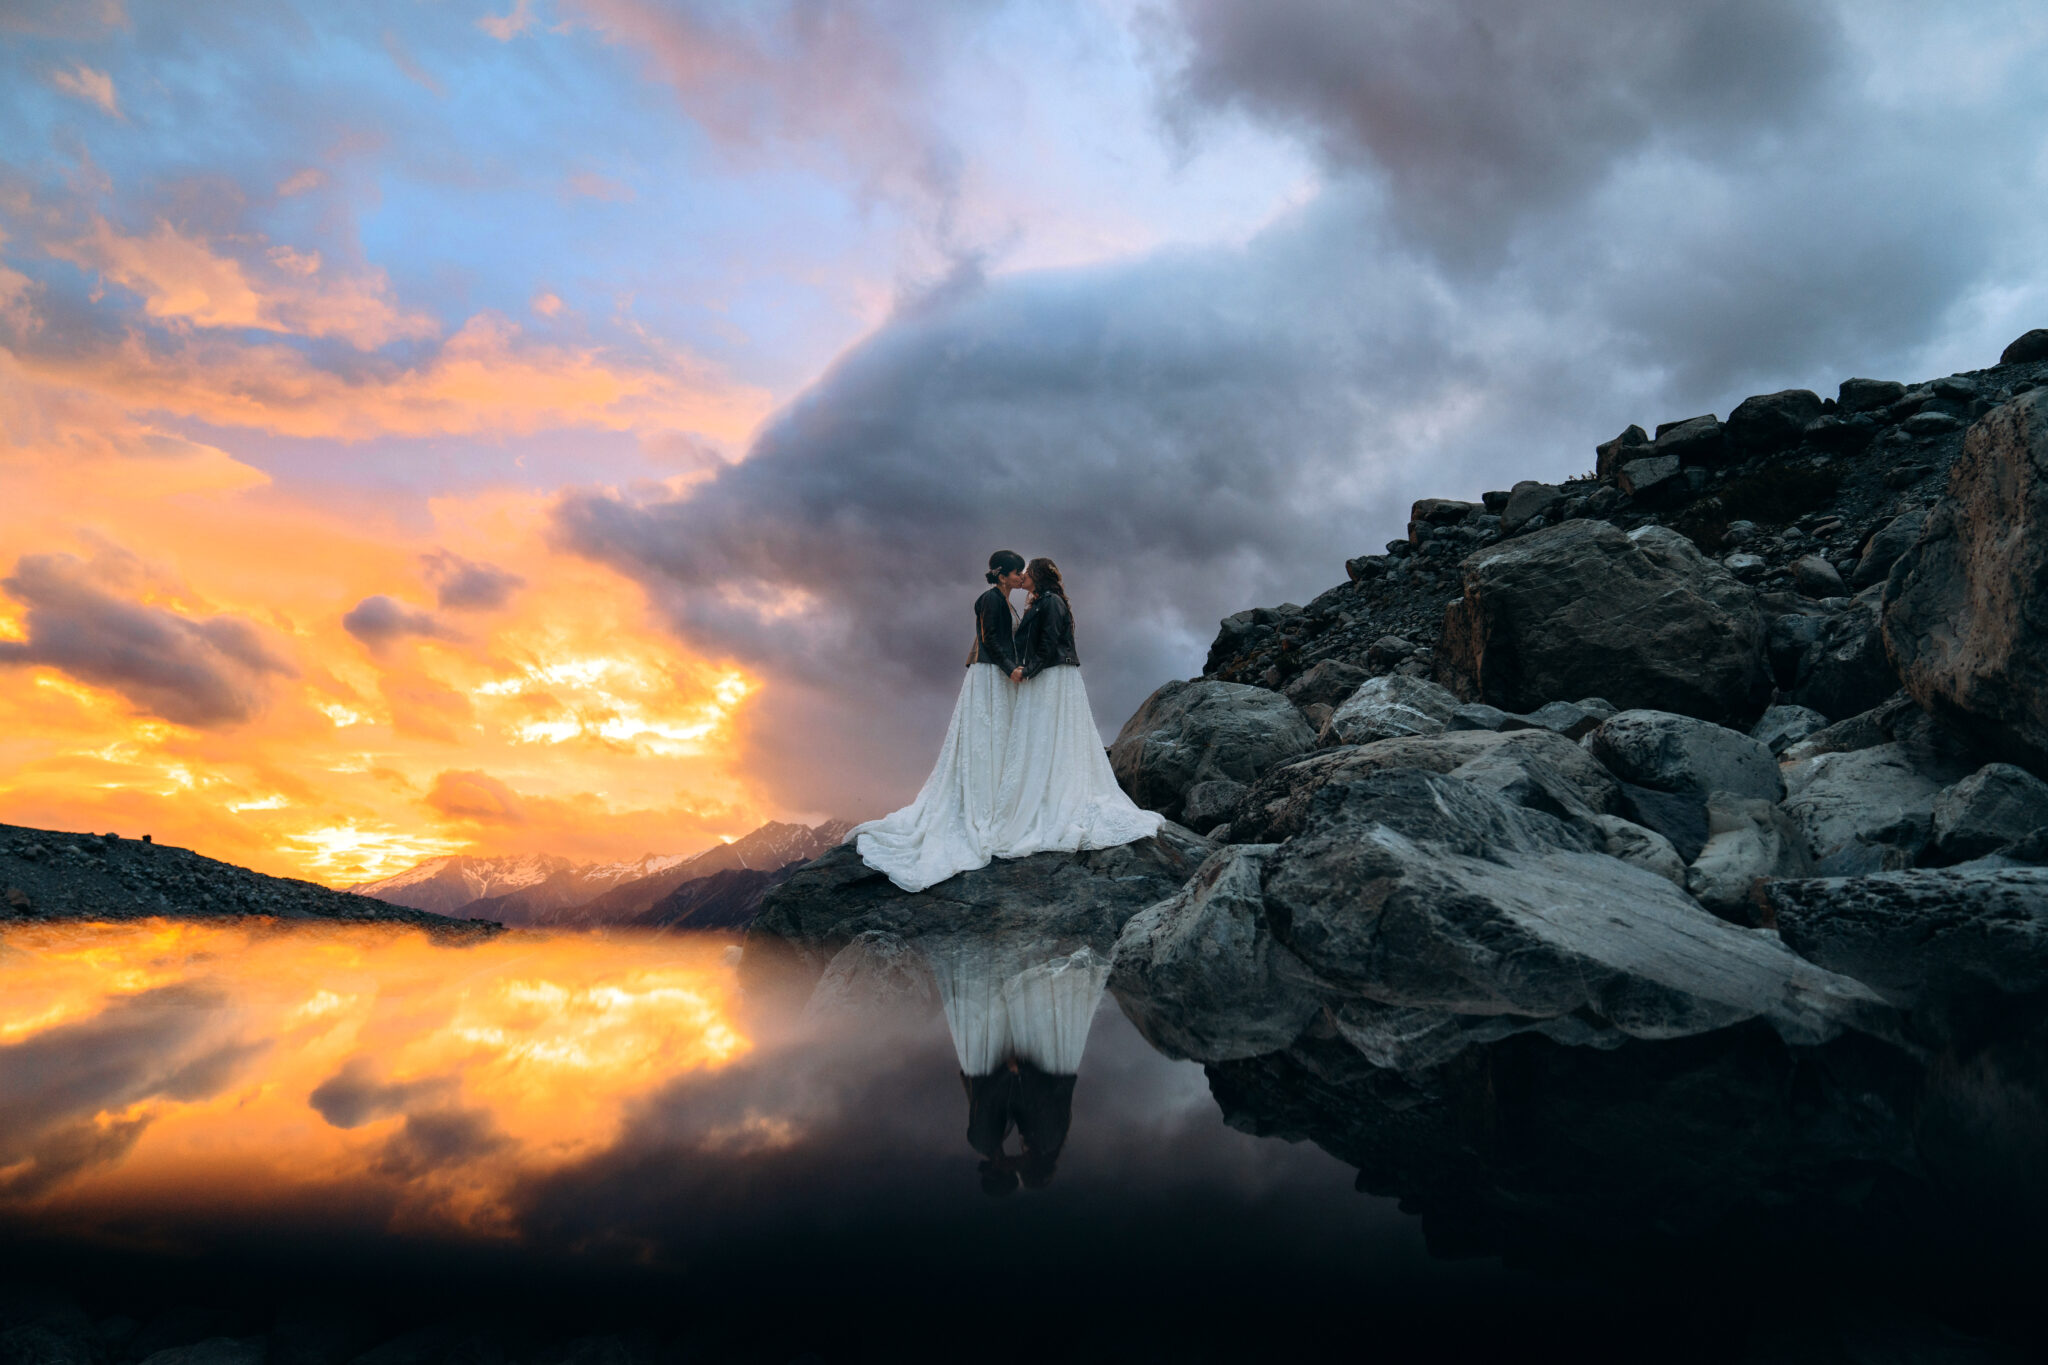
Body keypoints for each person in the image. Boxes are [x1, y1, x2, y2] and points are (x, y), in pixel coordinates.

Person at [850, 552, 1029, 892]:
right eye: (1018, 571)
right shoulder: (990, 600)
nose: (1022, 576)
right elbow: (990, 639)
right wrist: (1011, 669)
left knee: (996, 732)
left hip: (998, 673)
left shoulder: (1005, 600)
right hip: (990, 674)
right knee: (985, 731)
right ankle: (981, 802)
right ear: (1003, 575)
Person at [988, 557, 1163, 857]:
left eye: (1029, 572)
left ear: (1040, 576)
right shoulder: (1042, 601)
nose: (1024, 576)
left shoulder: (1051, 602)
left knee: (1052, 730)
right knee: (1045, 733)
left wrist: (1029, 669)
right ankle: (1045, 794)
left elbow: (1049, 641)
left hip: (1054, 674)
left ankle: (1056, 800)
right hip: (1049, 672)